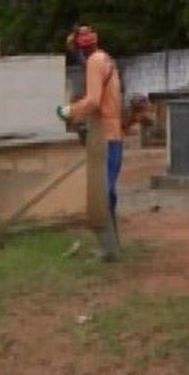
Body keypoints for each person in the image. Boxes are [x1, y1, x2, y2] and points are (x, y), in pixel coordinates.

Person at [58, 25, 124, 261]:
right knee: (109, 192)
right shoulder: (107, 59)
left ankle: (108, 251)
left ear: (81, 48)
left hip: (104, 136)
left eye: (75, 51)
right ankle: (113, 246)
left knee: (100, 194)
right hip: (114, 134)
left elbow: (94, 101)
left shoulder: (95, 62)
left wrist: (69, 111)